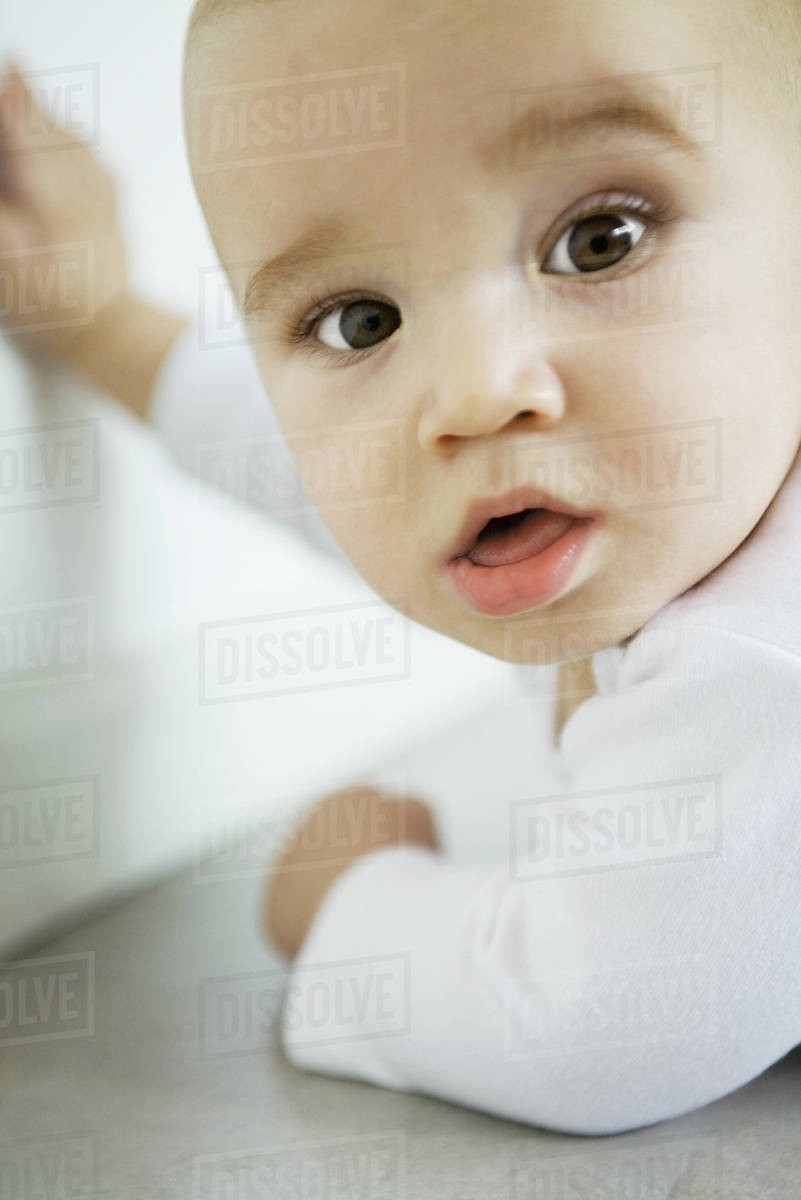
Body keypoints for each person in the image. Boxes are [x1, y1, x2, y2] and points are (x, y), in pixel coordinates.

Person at [2, 0, 801, 1135]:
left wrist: (349, 904)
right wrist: (93, 317)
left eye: (599, 240)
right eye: (361, 322)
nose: (475, 393)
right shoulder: (639, 480)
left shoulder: (764, 666)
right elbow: (294, 457)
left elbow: (584, 1031)